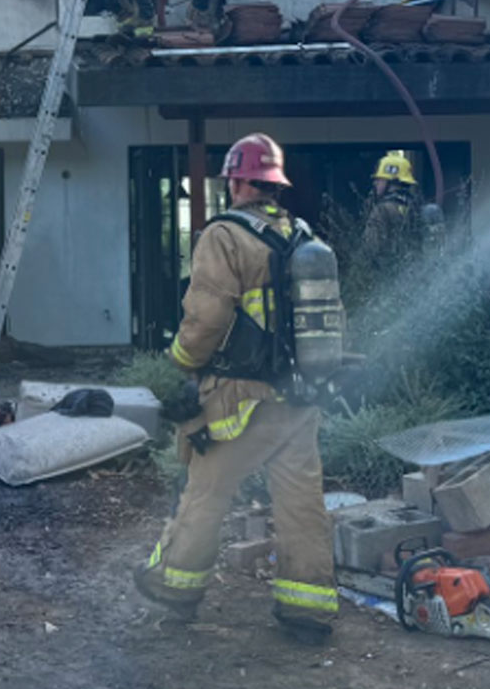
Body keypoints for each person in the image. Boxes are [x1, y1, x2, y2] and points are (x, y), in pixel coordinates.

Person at [135, 133, 339, 643]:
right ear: (275, 185)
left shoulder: (224, 236)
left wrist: (180, 365)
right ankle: (309, 608)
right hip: (299, 398)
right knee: (301, 503)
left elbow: (206, 317)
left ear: (238, 182)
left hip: (241, 399)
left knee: (207, 490)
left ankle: (174, 586)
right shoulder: (302, 237)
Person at [361, 149, 427, 263]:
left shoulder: (381, 210)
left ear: (391, 181)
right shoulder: (415, 208)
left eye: (379, 179)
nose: (375, 183)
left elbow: (370, 248)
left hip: (386, 271)